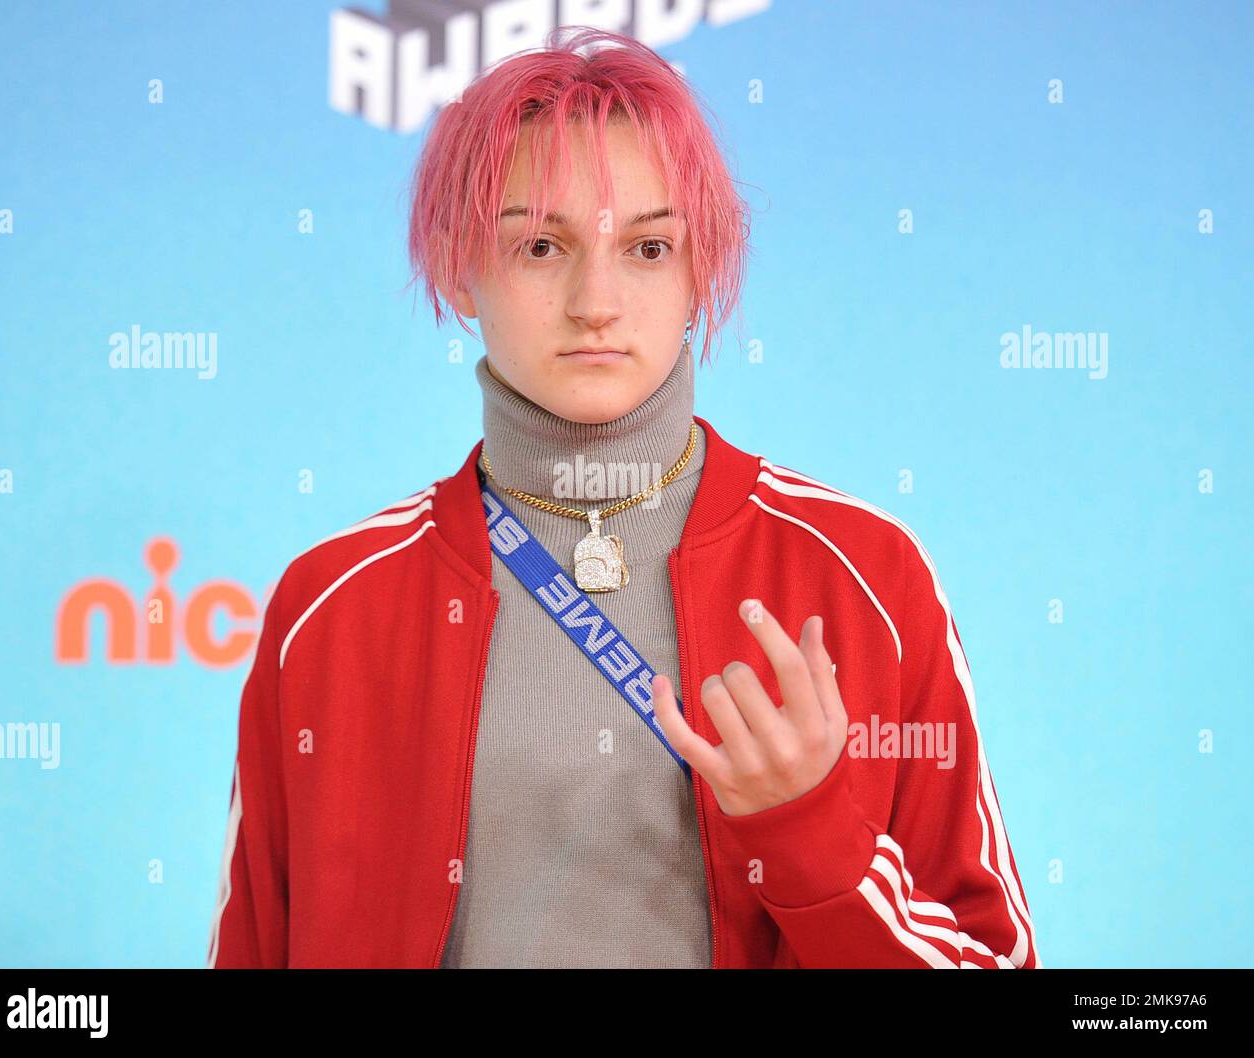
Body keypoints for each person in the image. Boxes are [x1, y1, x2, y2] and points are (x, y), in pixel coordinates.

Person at [207, 26, 1039, 969]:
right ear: (456, 268)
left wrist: (810, 837)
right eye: (538, 245)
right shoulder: (331, 606)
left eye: (647, 247)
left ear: (701, 269)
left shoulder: (864, 574)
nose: (595, 300)